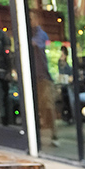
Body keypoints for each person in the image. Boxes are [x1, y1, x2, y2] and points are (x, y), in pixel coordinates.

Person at [30, 14, 58, 147]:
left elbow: (37, 43)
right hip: (31, 78)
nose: (29, 21)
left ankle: (53, 135)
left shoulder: (41, 35)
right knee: (35, 107)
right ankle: (37, 137)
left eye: (30, 19)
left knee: (47, 107)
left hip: (44, 77)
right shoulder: (27, 34)